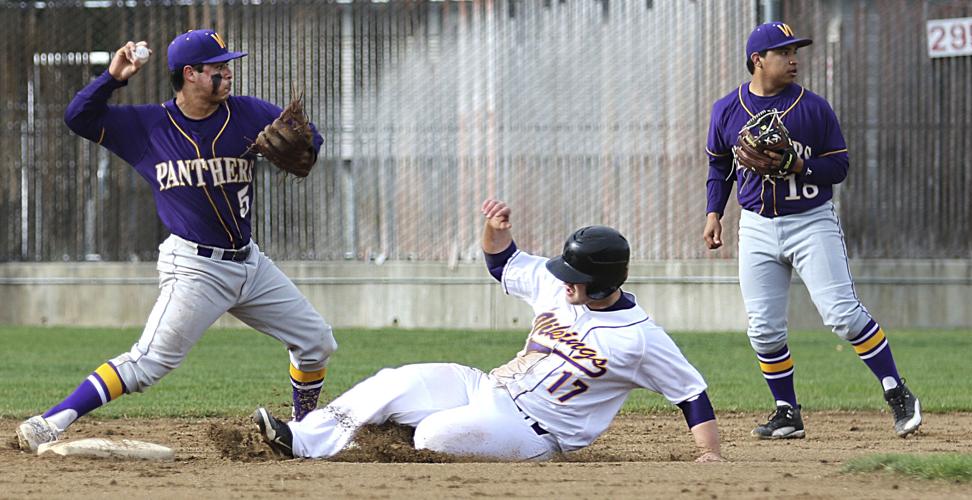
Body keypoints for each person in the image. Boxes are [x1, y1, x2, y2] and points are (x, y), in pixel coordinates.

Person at [16, 30, 337, 452]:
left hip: (250, 264)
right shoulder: (147, 126)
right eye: (218, 67)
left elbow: (308, 136)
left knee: (316, 342)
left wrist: (308, 146)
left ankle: (302, 432)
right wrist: (113, 78)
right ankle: (49, 422)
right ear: (190, 74)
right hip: (195, 268)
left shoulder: (247, 113)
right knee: (147, 363)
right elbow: (78, 117)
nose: (228, 73)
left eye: (228, 65)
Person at [253, 198, 723, 462]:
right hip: (486, 386)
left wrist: (710, 454)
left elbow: (690, 393)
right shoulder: (557, 286)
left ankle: (380, 440)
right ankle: (303, 439)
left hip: (533, 433)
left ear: (602, 281)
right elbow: (502, 263)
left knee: (433, 435)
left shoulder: (639, 337)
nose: (563, 280)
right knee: (394, 382)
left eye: (575, 275)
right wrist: (494, 229)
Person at [702, 22, 921, 439]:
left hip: (811, 221)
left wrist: (798, 165)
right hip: (756, 225)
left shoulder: (814, 108)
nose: (793, 59)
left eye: (795, 51)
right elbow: (719, 164)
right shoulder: (726, 109)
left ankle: (897, 391)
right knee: (763, 328)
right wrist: (714, 212)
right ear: (757, 60)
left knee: (842, 315)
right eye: (784, 52)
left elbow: (839, 167)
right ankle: (787, 411)